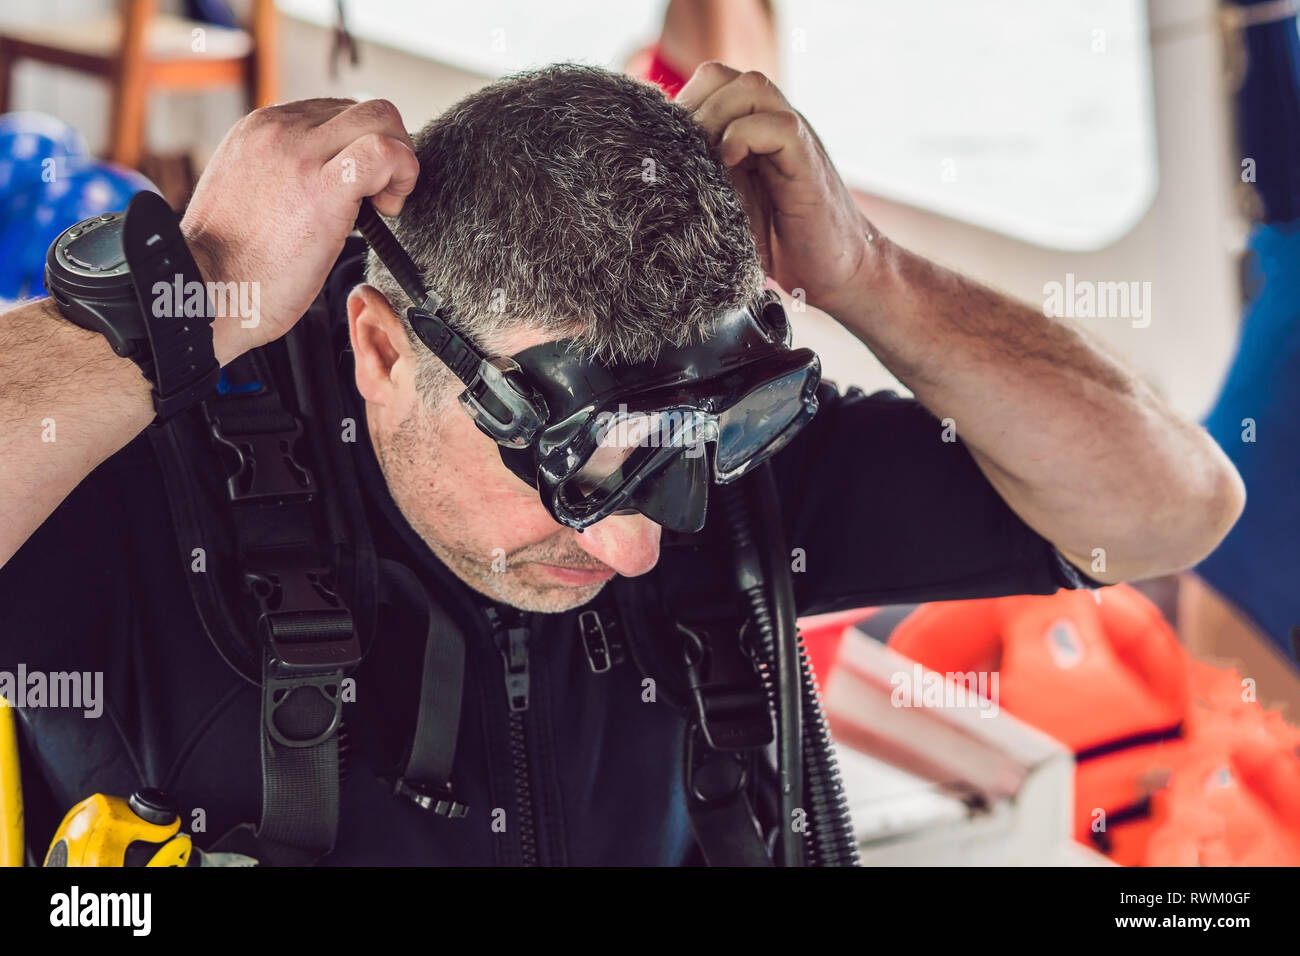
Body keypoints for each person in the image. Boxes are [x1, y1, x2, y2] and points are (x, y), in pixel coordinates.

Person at [0, 62, 1244, 866]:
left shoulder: (716, 465)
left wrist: (869, 272)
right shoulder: (144, 491)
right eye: (563, 465)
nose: (638, 542)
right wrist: (191, 298)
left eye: (684, 460)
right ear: (382, 352)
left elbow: (1173, 506)